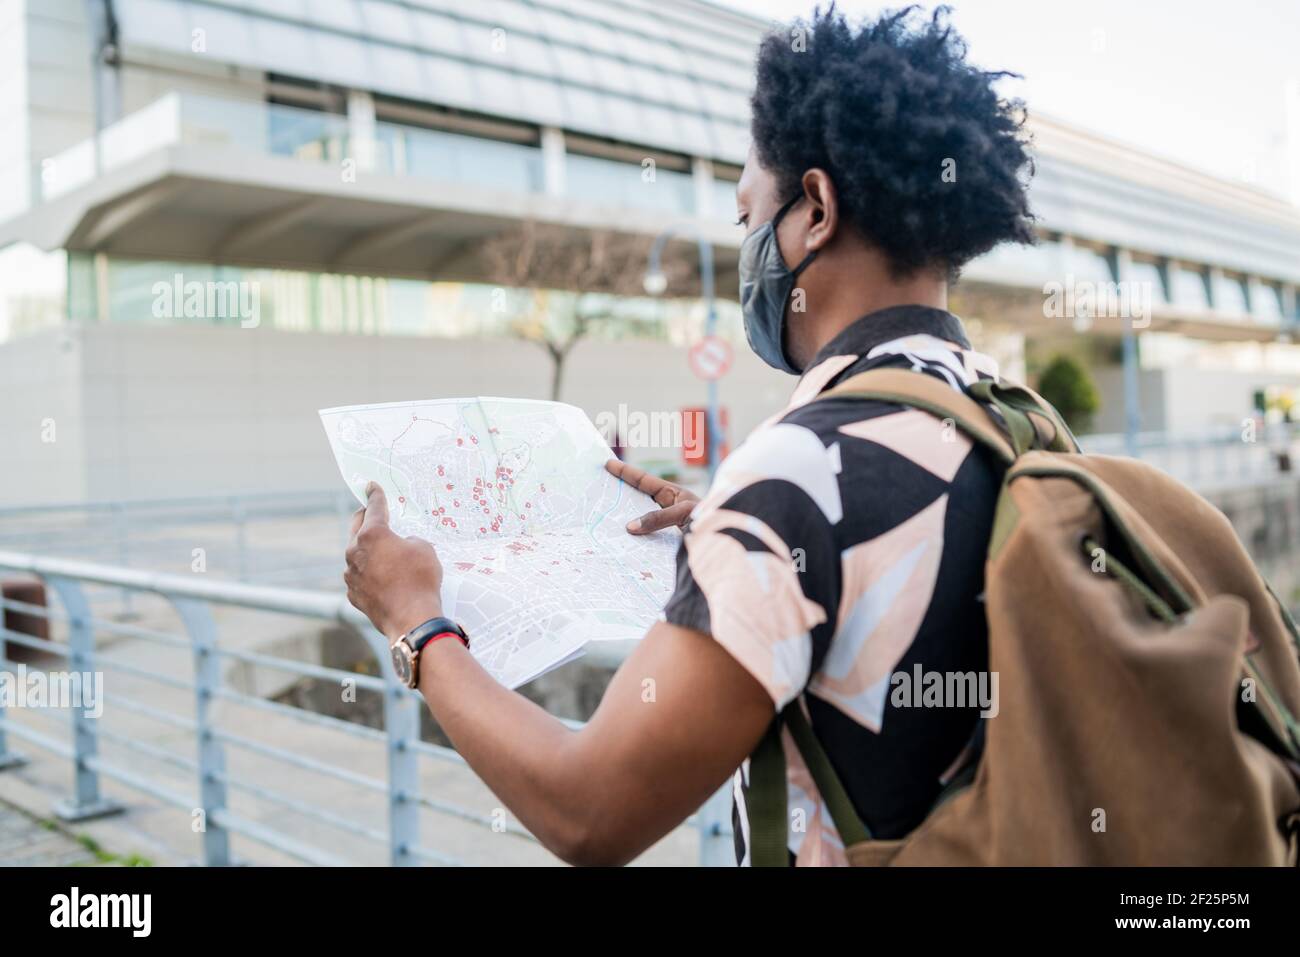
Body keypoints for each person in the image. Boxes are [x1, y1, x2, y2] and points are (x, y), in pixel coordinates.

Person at [344, 4, 1036, 866]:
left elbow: (587, 811)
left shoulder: (798, 476)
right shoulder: (1019, 421)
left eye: (749, 218)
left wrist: (417, 623)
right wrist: (733, 530)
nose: (746, 245)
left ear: (814, 209)